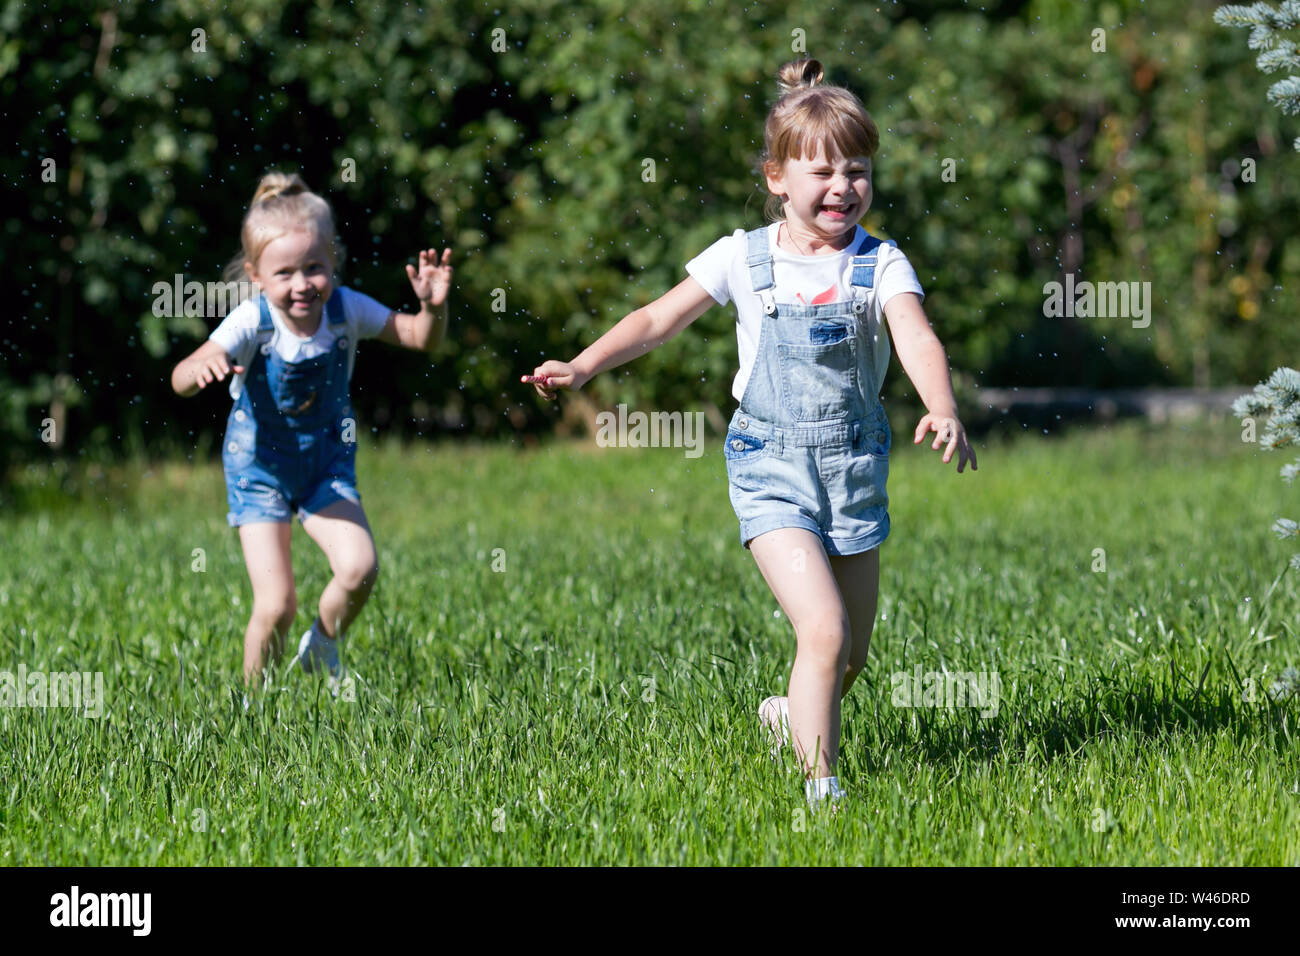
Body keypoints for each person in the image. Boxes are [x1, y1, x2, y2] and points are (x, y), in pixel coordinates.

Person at [524, 59, 976, 807]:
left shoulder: (880, 262)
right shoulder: (742, 257)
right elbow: (654, 320)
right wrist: (581, 365)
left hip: (853, 469)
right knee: (824, 631)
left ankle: (784, 715)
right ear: (776, 177)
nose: (843, 187)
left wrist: (942, 405)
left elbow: (917, 336)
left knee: (850, 654)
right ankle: (823, 793)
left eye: (858, 170)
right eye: (823, 171)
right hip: (769, 467)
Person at [170, 172, 453, 686]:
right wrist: (200, 371)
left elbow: (420, 339)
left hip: (325, 464)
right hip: (259, 470)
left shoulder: (346, 310)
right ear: (256, 275)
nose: (302, 284)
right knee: (276, 604)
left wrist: (432, 307)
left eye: (314, 268)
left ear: (333, 261)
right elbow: (181, 376)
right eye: (285, 273)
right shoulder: (250, 322)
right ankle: (254, 707)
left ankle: (322, 646)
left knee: (359, 567)